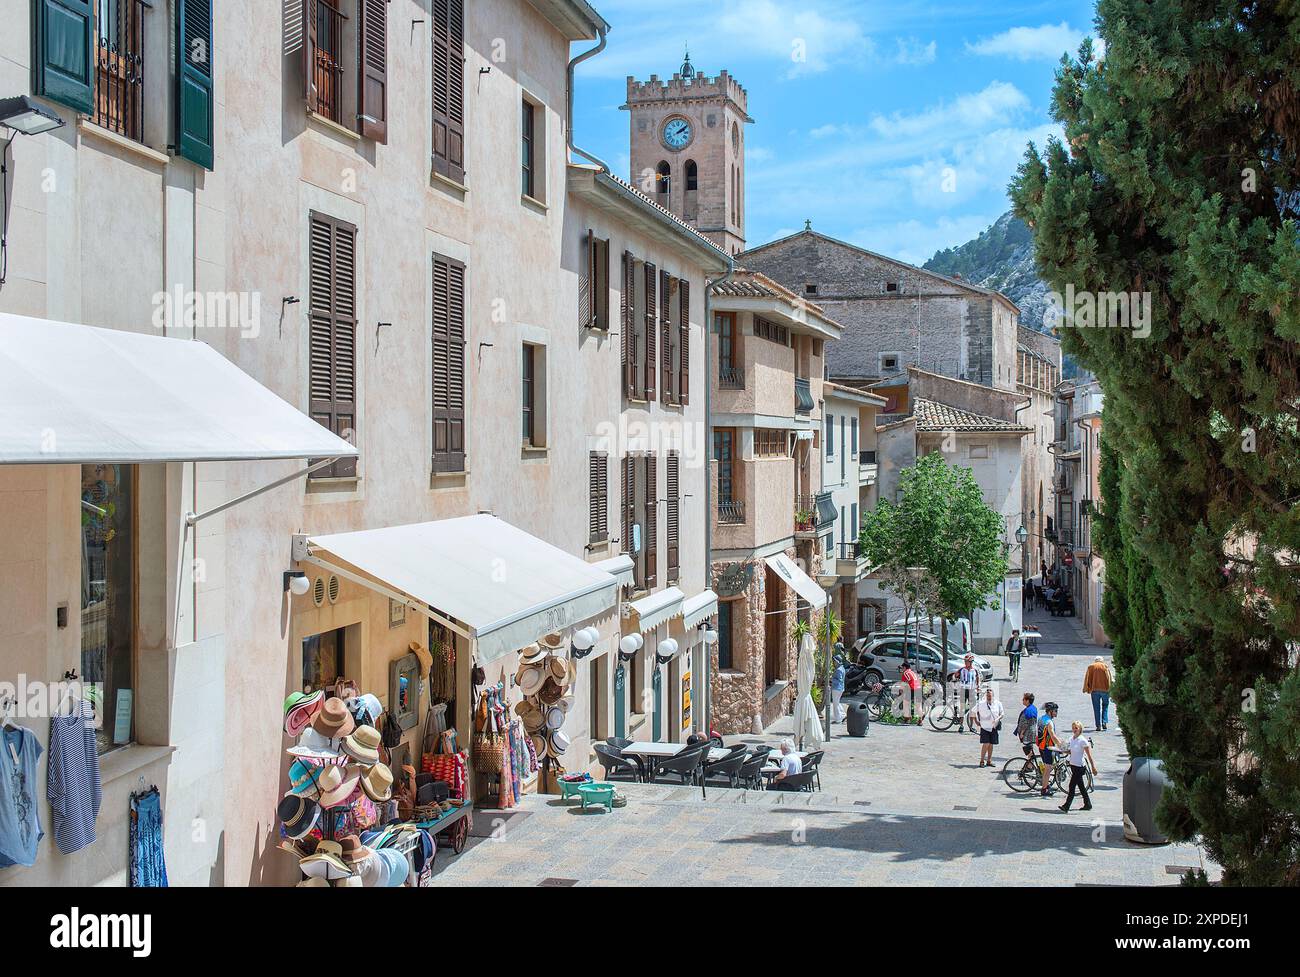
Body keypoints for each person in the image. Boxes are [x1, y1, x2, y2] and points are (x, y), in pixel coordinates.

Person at [1059, 721, 1097, 812]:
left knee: (1071, 786)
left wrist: (1093, 767)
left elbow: (1089, 755)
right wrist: (1064, 750)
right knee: (1081, 786)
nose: (1074, 729)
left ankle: (1066, 806)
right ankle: (1088, 804)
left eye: (1076, 728)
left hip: (1080, 767)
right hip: (1073, 765)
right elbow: (1071, 751)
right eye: (1073, 728)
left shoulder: (1082, 740)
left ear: (1080, 729)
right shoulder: (1071, 739)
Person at [972, 686, 1004, 768]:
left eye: (990, 696)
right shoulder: (981, 704)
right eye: (987, 696)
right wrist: (976, 721)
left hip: (994, 727)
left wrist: (997, 719)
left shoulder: (998, 703)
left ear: (993, 696)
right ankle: (982, 760)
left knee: (991, 744)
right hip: (985, 727)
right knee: (986, 743)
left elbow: (1002, 713)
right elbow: (972, 711)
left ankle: (989, 760)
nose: (989, 697)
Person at [1036, 701, 1061, 796]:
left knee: (1048, 767)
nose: (1056, 712)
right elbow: (1053, 736)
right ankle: (1044, 789)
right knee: (1048, 769)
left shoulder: (1041, 719)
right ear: (1050, 711)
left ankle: (1045, 784)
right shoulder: (1049, 722)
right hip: (1048, 748)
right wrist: (1060, 745)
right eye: (1055, 711)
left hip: (1041, 747)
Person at [1083, 656, 1112, 731]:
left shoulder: (1091, 667)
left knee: (1096, 708)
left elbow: (1087, 678)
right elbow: (1109, 678)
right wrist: (1110, 689)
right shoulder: (1105, 666)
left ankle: (1098, 725)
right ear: (1102, 661)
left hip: (1094, 690)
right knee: (1105, 705)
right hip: (1105, 690)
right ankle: (1104, 722)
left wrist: (1086, 688)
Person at [955, 654, 981, 732]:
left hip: (972, 691)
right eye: (965, 661)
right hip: (963, 690)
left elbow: (977, 679)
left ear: (971, 662)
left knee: (972, 710)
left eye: (967, 662)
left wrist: (978, 687)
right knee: (962, 708)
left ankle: (971, 726)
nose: (966, 663)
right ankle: (961, 725)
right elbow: (955, 676)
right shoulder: (962, 669)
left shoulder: (975, 670)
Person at [1015, 692, 1039, 757]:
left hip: (1028, 733)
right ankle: (1030, 764)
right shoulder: (1032, 708)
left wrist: (1022, 733)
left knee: (1028, 749)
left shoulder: (1029, 710)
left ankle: (1030, 764)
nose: (1022, 700)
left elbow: (1027, 723)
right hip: (1031, 732)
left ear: (1027, 700)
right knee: (1029, 749)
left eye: (1023, 699)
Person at [899, 659, 922, 724]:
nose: (902, 669)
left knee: (906, 703)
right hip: (919, 688)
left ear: (905, 667)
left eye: (902, 668)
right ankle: (920, 720)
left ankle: (907, 719)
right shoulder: (913, 672)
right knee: (918, 705)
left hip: (912, 689)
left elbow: (903, 684)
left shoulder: (905, 673)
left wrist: (901, 691)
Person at [830, 654, 846, 723]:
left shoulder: (838, 670)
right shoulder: (842, 668)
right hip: (840, 688)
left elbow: (840, 679)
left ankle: (838, 719)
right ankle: (842, 714)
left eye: (834, 661)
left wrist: (831, 679)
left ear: (837, 661)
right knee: (837, 702)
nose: (833, 662)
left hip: (837, 688)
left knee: (835, 704)